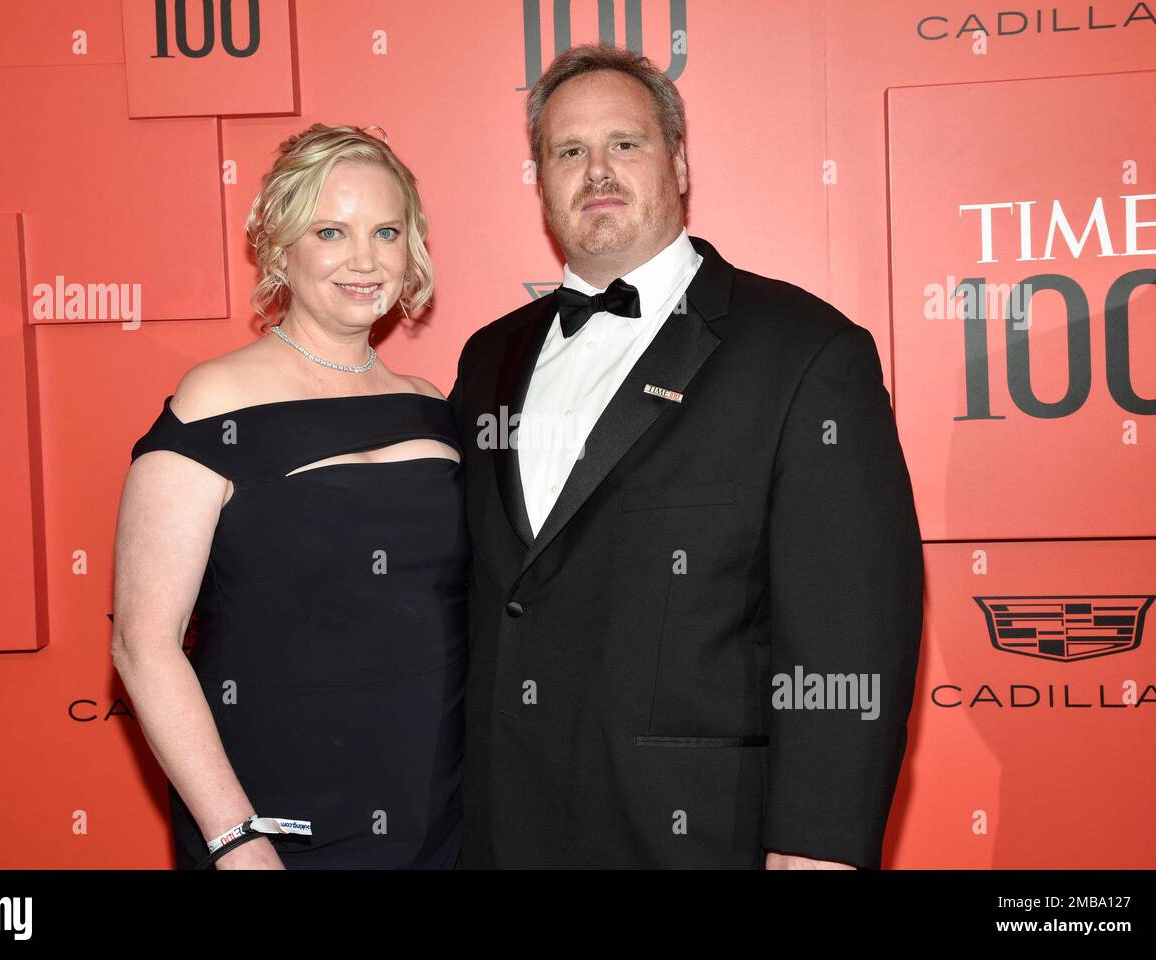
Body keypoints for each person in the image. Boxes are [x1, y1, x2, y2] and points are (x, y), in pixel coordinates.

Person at [448, 44, 924, 868]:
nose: (596, 170)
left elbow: (850, 635)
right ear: (540, 178)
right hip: (501, 834)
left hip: (693, 838)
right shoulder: (486, 359)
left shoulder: (805, 354)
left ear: (678, 160)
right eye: (569, 151)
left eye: (624, 144)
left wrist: (817, 852)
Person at [111, 123, 468, 869]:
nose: (365, 260)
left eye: (387, 231)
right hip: (278, 819)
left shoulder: (432, 405)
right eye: (331, 231)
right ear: (280, 248)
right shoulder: (215, 400)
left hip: (442, 810)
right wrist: (236, 838)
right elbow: (143, 643)